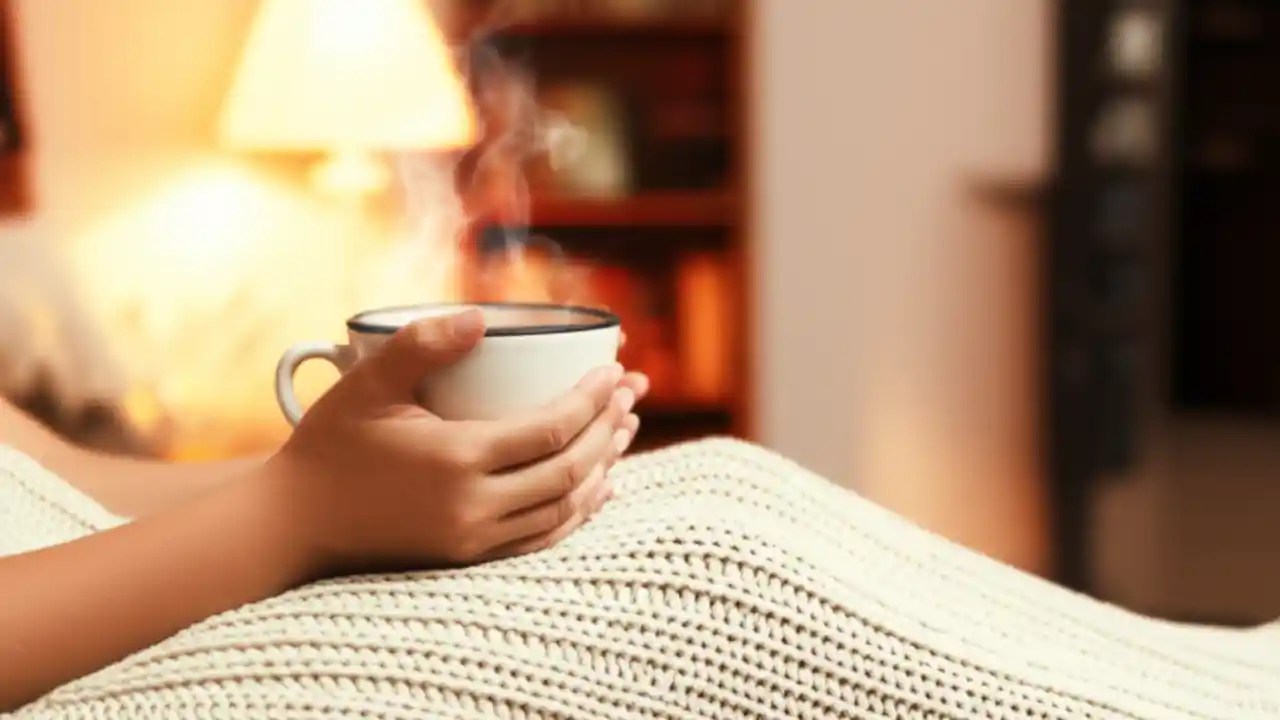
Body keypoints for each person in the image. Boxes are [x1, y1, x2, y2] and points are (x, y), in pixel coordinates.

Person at [2, 309, 1278, 719]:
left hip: (130, 576)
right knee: (719, 579)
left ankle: (1210, 682)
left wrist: (375, 467)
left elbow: (70, 480)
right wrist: (298, 514)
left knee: (721, 488)